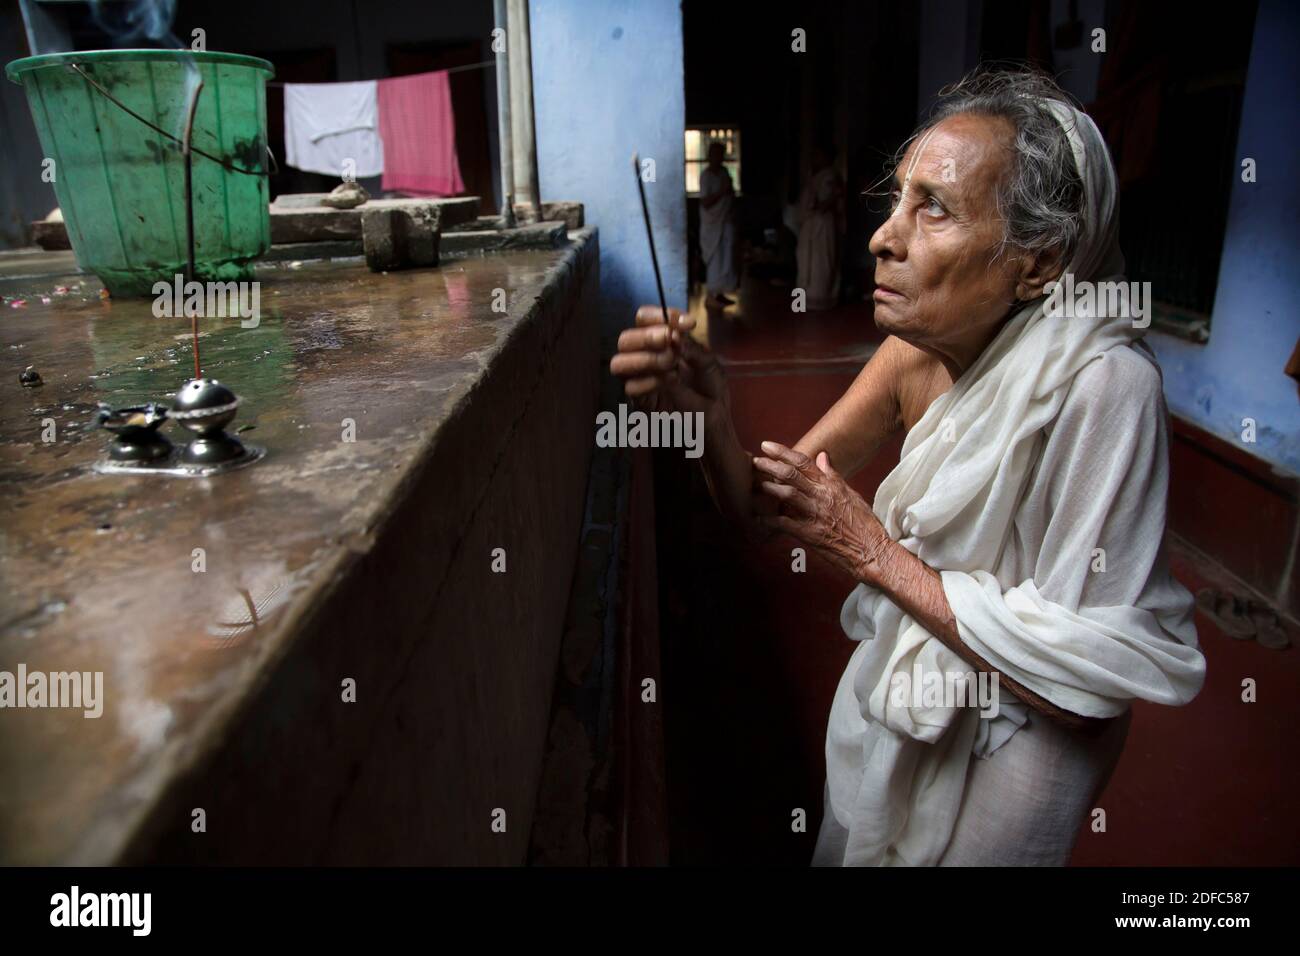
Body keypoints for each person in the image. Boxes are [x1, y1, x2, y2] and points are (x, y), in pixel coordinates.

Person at [609, 67, 1206, 866]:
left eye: (935, 208)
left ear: (1040, 262)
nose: (883, 238)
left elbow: (1081, 680)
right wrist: (711, 420)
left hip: (1032, 727)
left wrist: (874, 552)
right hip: (917, 678)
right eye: (897, 200)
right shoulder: (908, 355)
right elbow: (762, 509)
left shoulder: (1103, 385)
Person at [796, 143, 845, 310]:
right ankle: (801, 303)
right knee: (805, 262)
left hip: (822, 226)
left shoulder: (829, 176)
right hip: (810, 225)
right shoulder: (814, 176)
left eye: (818, 155)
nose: (814, 159)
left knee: (821, 262)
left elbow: (826, 203)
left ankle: (821, 301)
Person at [698, 141, 738, 308]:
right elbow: (706, 202)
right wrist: (721, 191)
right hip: (712, 223)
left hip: (725, 221)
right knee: (714, 258)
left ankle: (720, 293)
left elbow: (731, 194)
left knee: (726, 258)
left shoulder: (724, 173)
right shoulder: (706, 175)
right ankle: (711, 296)